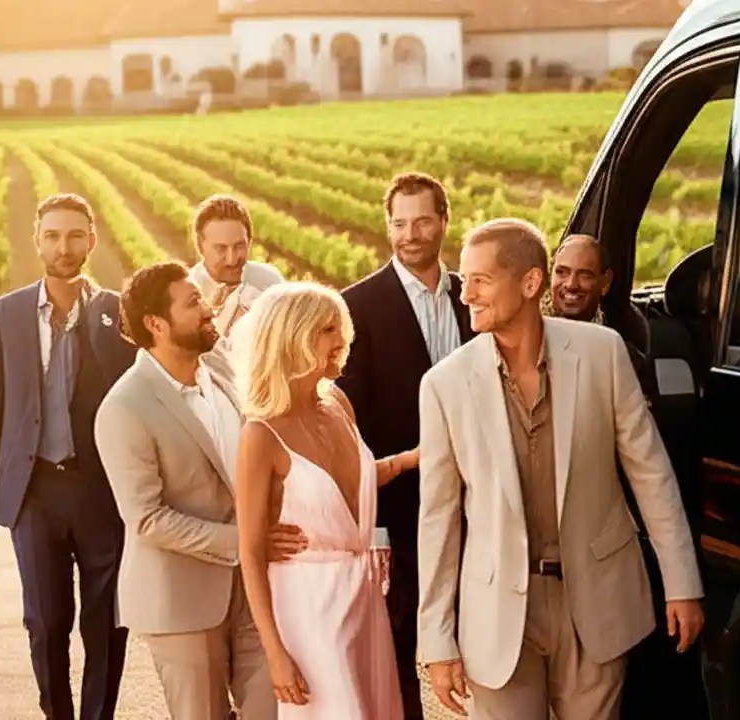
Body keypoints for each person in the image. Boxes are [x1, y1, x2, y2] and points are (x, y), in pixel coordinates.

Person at [417, 218, 706, 719]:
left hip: (596, 602)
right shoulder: (444, 384)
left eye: (480, 281)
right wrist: (436, 637)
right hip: (499, 613)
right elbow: (437, 517)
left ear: (530, 283)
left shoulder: (602, 354)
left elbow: (651, 473)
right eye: (465, 283)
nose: (467, 297)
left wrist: (682, 583)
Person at [94, 261, 305, 720]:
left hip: (255, 590)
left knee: (274, 710)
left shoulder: (221, 367)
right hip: (180, 601)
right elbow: (146, 518)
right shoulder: (123, 408)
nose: (208, 308)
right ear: (156, 324)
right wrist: (247, 543)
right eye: (193, 303)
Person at [0, 193, 135, 720]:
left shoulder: (117, 313)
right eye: (54, 235)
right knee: (45, 620)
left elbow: (138, 400)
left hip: (101, 493)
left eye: (75, 235)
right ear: (37, 241)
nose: (65, 246)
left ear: (92, 240)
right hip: (34, 493)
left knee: (106, 620)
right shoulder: (6, 315)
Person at [230, 281, 419, 718]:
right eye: (328, 329)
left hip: (364, 596)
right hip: (309, 608)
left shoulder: (336, 402)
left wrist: (411, 460)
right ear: (293, 336)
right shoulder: (260, 434)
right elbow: (251, 551)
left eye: (342, 328)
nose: (343, 340)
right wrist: (276, 654)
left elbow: (346, 486)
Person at [546, 234, 710, 720]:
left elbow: (650, 476)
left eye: (583, 275)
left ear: (606, 283)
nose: (570, 285)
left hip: (602, 556)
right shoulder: (514, 350)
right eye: (562, 272)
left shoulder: (626, 359)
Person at [337, 171, 474, 718]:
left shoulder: (474, 294)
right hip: (400, 502)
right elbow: (350, 423)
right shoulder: (357, 306)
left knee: (484, 625)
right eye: (399, 223)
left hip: (479, 494)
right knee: (395, 639)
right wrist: (371, 522)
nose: (411, 234)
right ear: (387, 226)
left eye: (422, 221)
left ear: (443, 221)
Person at [188, 194, 286, 338]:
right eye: (221, 248)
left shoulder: (269, 282)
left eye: (239, 246)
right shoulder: (189, 294)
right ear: (200, 246)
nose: (232, 260)